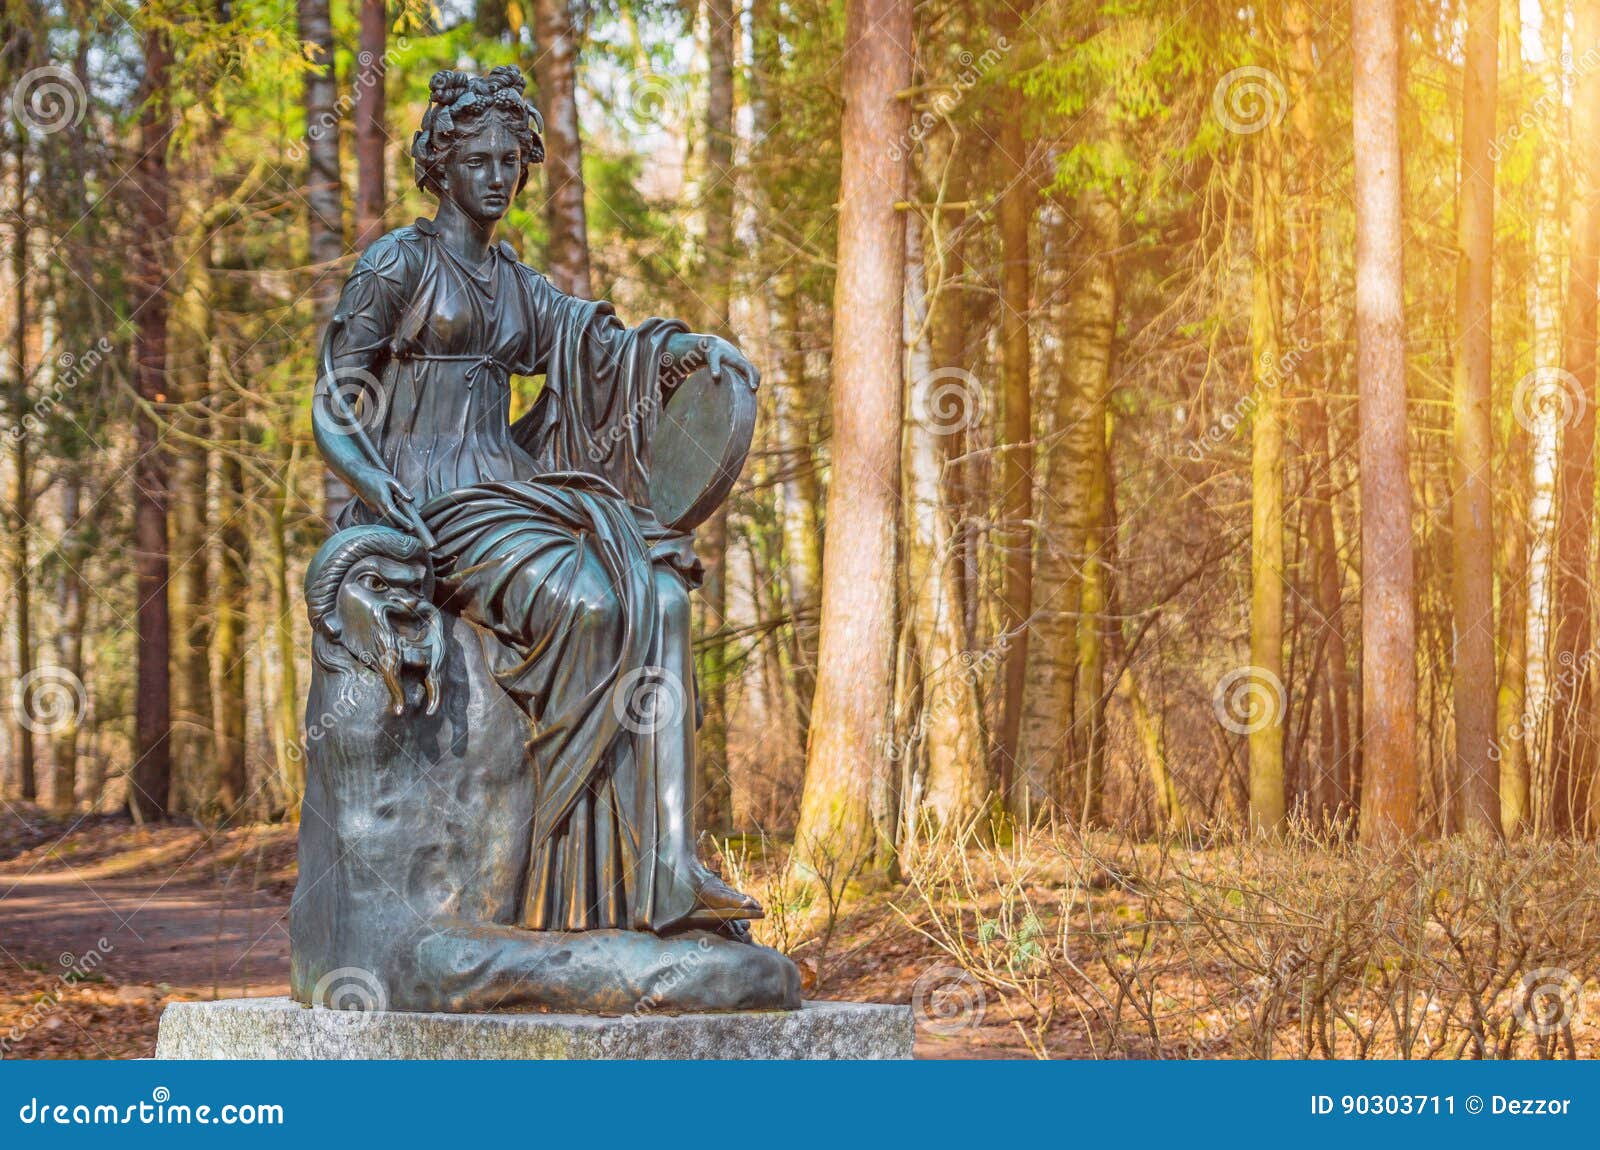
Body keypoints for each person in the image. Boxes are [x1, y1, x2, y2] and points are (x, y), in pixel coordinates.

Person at [312, 65, 761, 934]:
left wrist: (689, 354)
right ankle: (574, 876)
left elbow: (605, 348)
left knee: (661, 593)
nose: (496, 176)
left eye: (511, 161)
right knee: (596, 604)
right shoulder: (396, 264)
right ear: (439, 164)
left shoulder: (519, 284)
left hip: (511, 493)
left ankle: (667, 872)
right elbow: (335, 403)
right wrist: (380, 494)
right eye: (477, 158)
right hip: (434, 506)